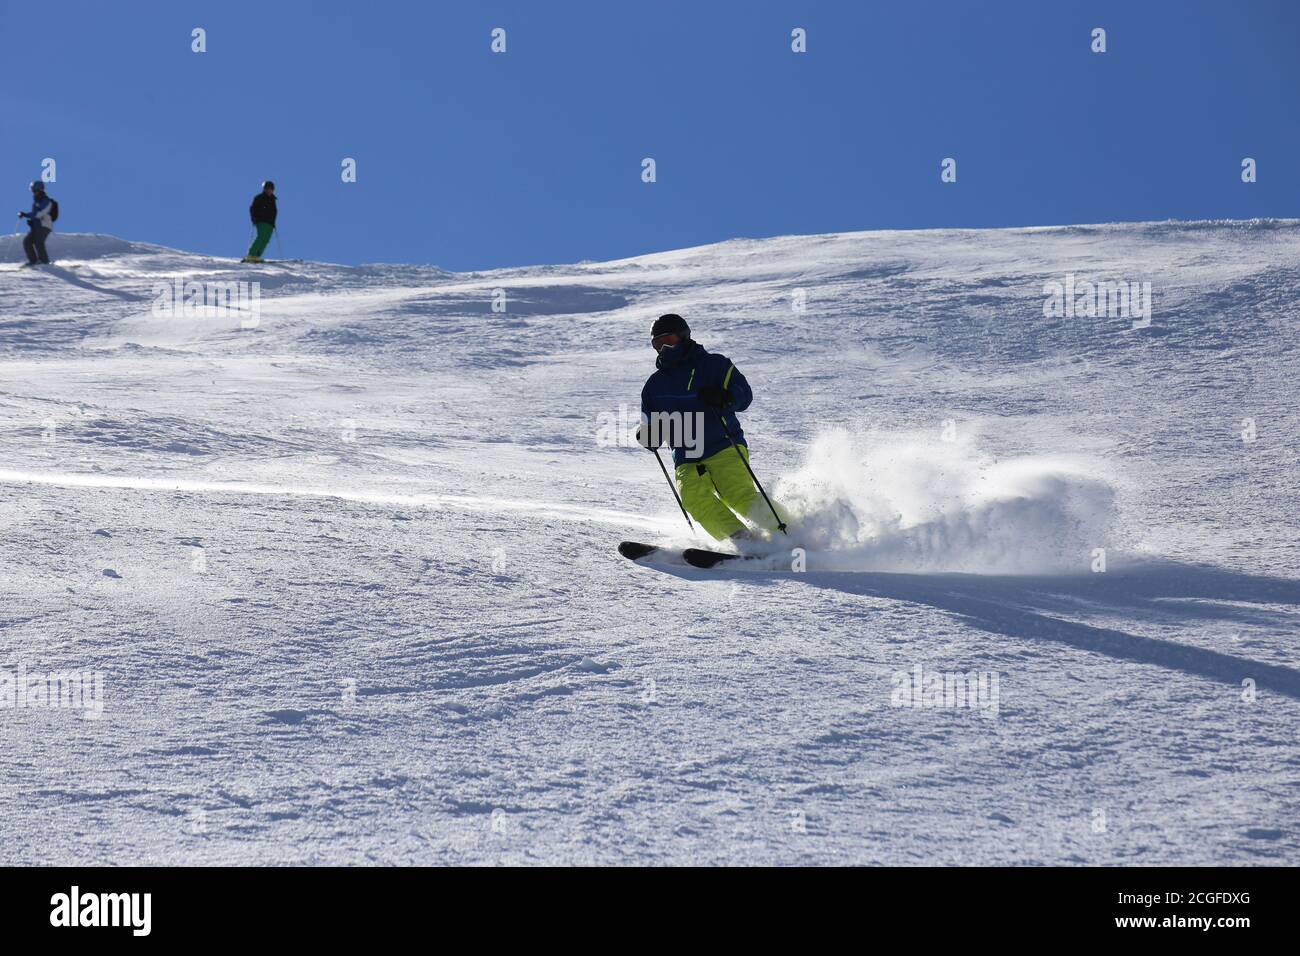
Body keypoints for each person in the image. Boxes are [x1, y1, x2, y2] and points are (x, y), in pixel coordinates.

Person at [638, 313, 782, 542]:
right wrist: (648, 436)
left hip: (723, 445)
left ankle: (793, 533)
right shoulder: (654, 386)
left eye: (670, 340)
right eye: (658, 343)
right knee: (694, 500)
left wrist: (725, 397)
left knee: (739, 496)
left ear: (684, 337)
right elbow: (651, 424)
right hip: (686, 455)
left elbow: (745, 396)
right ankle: (744, 542)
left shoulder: (715, 366)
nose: (664, 348)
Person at [18, 180, 55, 266]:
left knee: (38, 242)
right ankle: (33, 261)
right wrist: (32, 222)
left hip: (45, 226)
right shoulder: (36, 202)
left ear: (39, 190)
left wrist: (26, 215)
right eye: (32, 191)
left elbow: (40, 213)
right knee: (27, 241)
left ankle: (44, 261)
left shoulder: (46, 201)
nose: (33, 192)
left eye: (34, 190)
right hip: (37, 226)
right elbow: (36, 216)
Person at [242, 181, 277, 263]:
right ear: (264, 189)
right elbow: (252, 208)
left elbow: (273, 211)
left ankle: (257, 256)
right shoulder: (259, 197)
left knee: (266, 239)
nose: (269, 190)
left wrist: (273, 222)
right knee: (261, 237)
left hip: (270, 223)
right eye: (267, 189)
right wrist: (254, 218)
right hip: (261, 220)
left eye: (271, 189)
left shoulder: (273, 199)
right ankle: (251, 254)